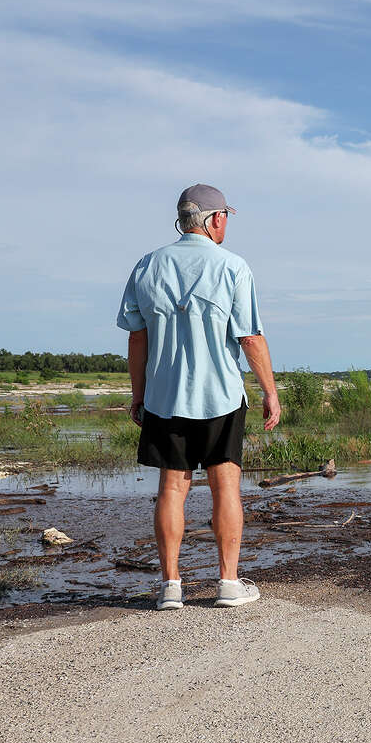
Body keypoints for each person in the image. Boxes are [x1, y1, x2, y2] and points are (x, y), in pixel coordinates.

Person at [116, 184, 281, 610]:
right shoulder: (233, 266)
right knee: (226, 485)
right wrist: (270, 391)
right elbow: (250, 338)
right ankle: (228, 583)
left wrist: (138, 394)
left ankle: (171, 587)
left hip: (164, 396)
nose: (226, 223)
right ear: (214, 219)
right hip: (221, 394)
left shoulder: (147, 265)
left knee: (172, 488)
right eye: (225, 216)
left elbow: (137, 337)